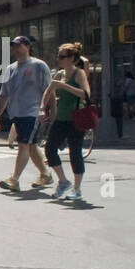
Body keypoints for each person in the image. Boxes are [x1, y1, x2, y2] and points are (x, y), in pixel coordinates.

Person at [0, 35, 53, 192]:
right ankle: (45, 174)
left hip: (32, 112)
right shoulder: (10, 69)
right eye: (14, 46)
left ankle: (14, 179)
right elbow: (4, 94)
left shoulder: (39, 66)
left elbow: (49, 89)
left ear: (27, 46)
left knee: (23, 145)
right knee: (32, 146)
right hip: (16, 113)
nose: (16, 49)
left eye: (18, 46)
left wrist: (50, 110)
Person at [41, 44, 91, 202]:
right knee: (49, 149)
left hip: (76, 119)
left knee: (75, 152)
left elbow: (85, 94)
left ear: (73, 59)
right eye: (58, 56)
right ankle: (63, 181)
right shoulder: (59, 74)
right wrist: (42, 108)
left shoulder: (79, 73)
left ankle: (77, 189)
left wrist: (63, 86)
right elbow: (47, 91)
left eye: (62, 56)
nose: (58, 59)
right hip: (61, 119)